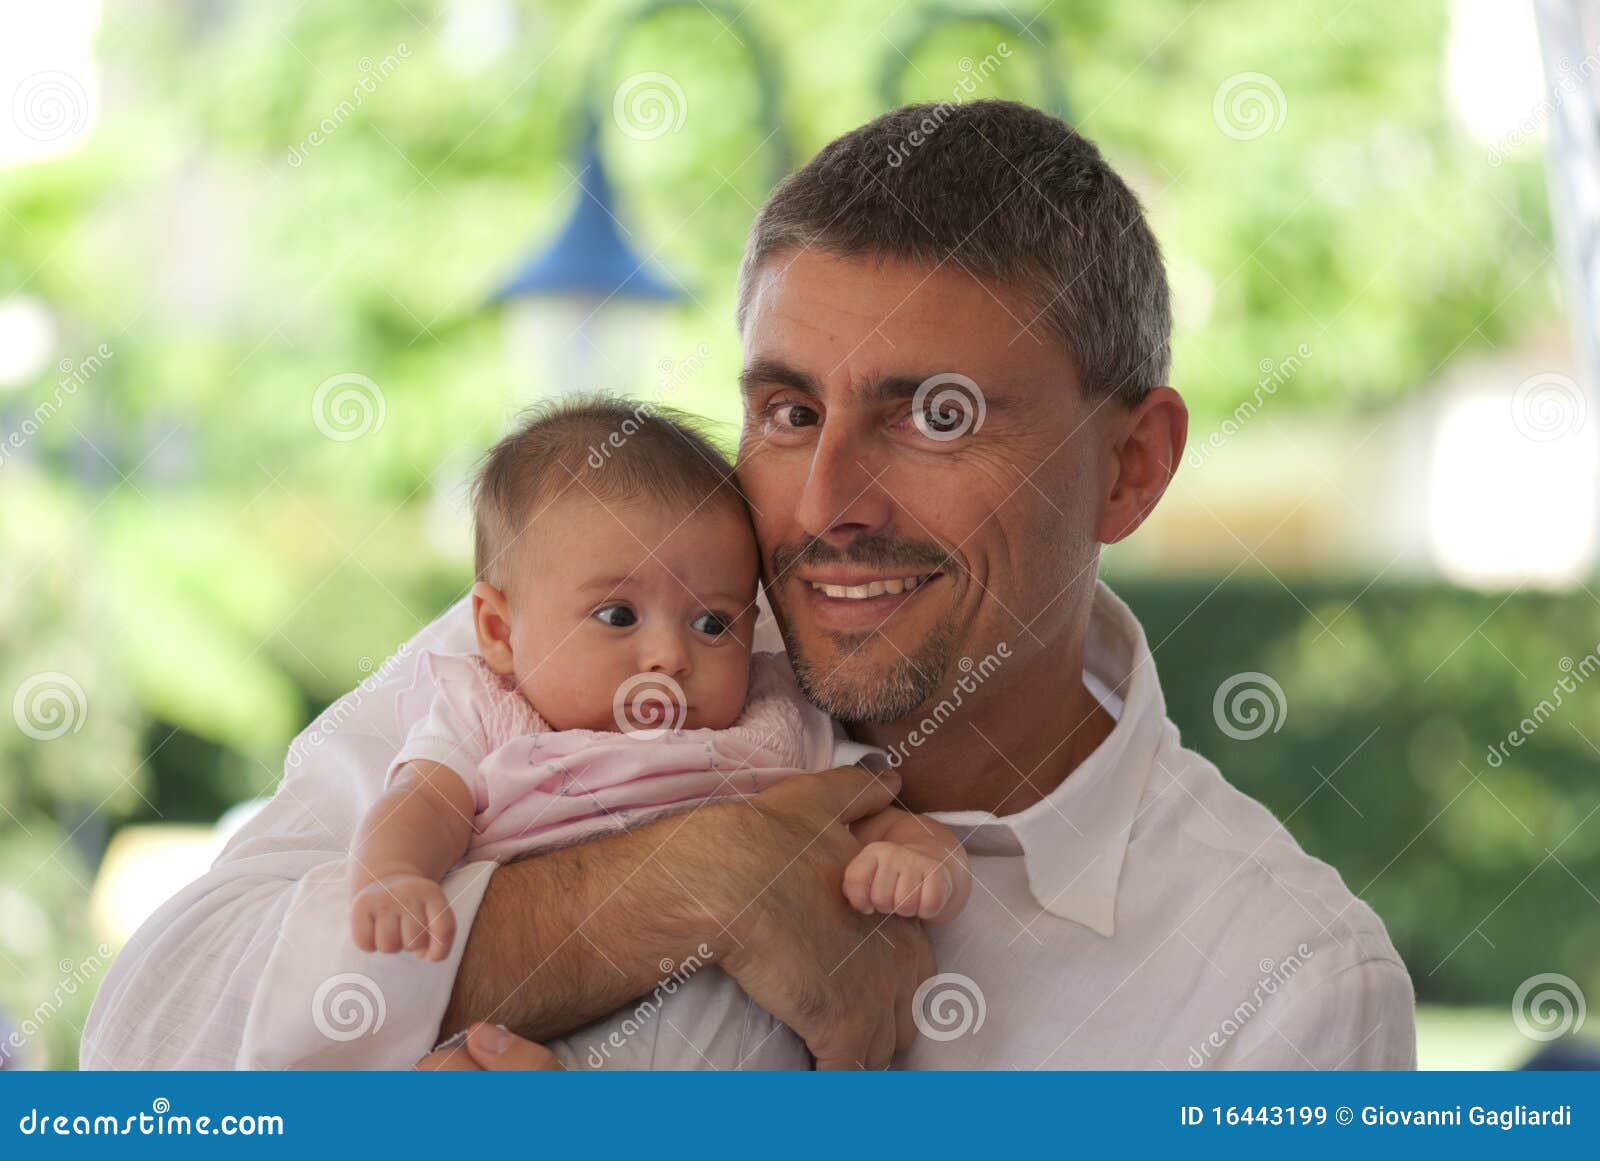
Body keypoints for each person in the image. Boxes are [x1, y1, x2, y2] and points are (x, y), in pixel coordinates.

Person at [83, 100, 1416, 1071]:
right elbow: (145, 1050)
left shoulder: (1282, 991)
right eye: (788, 410)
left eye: (935, 415)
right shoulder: (594, 627)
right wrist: (665, 886)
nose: (829, 500)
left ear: (1131, 467)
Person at [347, 399, 970, 1068]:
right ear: (499, 631)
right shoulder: (489, 717)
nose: (669, 656)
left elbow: (864, 809)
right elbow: (422, 802)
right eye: (618, 615)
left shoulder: (773, 724)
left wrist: (917, 855)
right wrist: (393, 872)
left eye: (712, 624)